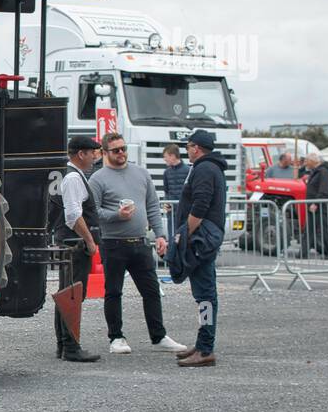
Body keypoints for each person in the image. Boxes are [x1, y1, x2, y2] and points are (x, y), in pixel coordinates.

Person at [88, 132, 187, 355]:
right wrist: (117, 215)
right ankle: (116, 337)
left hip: (141, 242)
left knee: (151, 291)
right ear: (105, 153)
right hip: (113, 243)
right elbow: (94, 212)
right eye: (116, 150)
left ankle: (159, 336)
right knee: (113, 291)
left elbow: (152, 205)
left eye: (123, 149)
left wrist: (160, 235)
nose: (121, 153)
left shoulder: (141, 173)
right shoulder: (98, 179)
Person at [46, 135, 104, 362]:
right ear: (81, 154)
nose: (94, 157)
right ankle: (70, 346)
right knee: (72, 295)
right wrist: (89, 240)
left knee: (67, 294)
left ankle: (65, 344)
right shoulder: (73, 178)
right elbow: (72, 215)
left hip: (70, 243)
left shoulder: (71, 176)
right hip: (74, 244)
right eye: (92, 153)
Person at [174, 130, 228, 367]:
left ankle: (206, 348)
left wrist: (185, 233)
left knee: (205, 296)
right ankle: (202, 343)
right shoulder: (208, 167)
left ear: (196, 148)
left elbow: (201, 204)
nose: (186, 150)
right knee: (204, 294)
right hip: (204, 235)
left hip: (201, 238)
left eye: (187, 147)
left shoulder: (205, 168)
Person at [301, 153, 328, 256]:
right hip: (315, 206)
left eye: (307, 161)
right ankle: (303, 253)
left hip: (320, 207)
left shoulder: (323, 172)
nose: (305, 163)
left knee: (324, 230)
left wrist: (316, 203)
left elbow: (324, 190)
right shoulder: (316, 172)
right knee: (310, 230)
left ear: (313, 161)